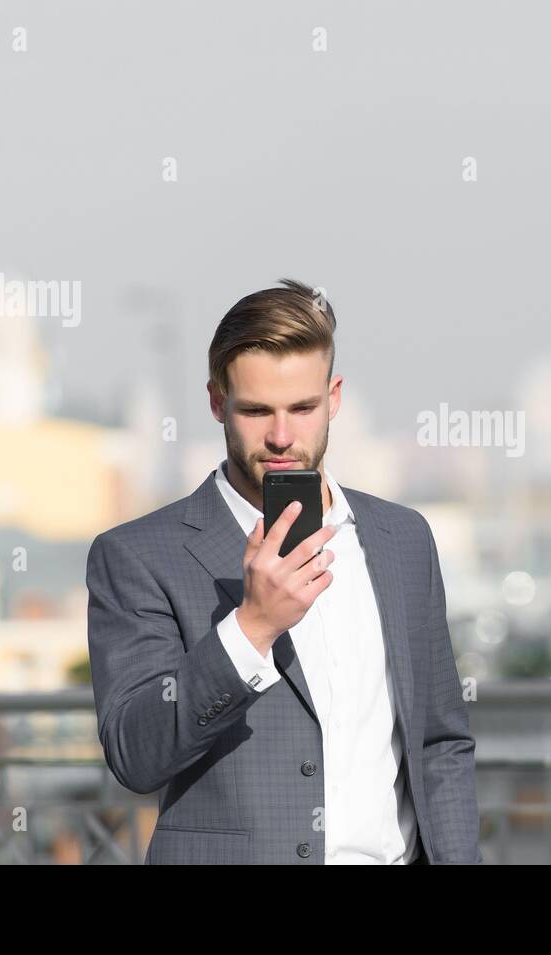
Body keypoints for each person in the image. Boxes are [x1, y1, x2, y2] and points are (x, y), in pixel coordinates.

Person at [85, 279, 481, 864]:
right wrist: (251, 629)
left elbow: (441, 741)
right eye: (255, 410)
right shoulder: (137, 555)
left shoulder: (404, 540)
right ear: (217, 402)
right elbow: (135, 757)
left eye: (302, 408)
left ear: (334, 397)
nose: (280, 436)